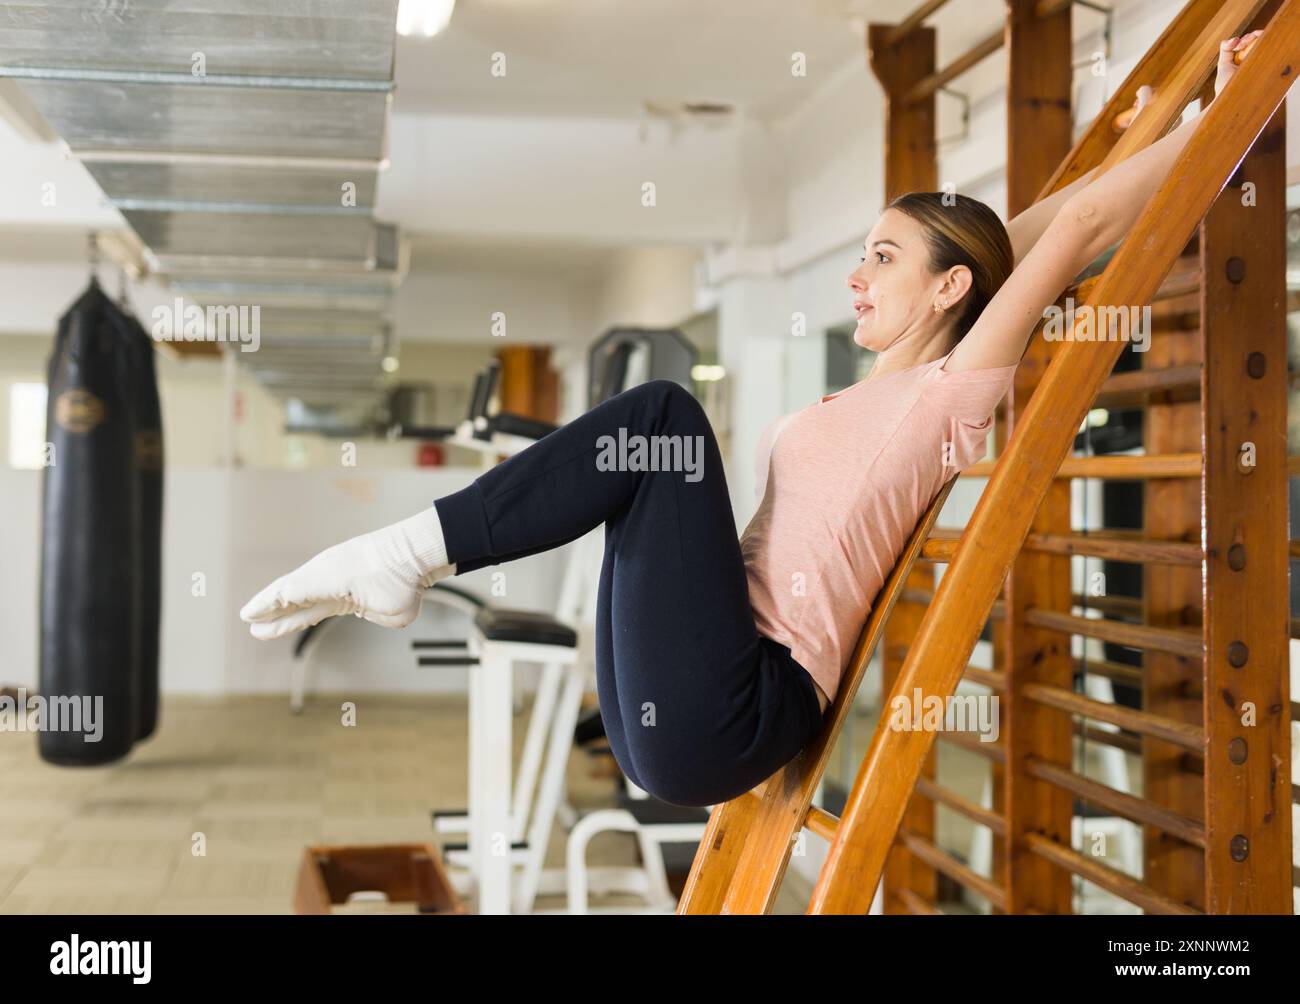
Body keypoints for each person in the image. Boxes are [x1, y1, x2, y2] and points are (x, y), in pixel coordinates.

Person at [241, 33, 1260, 808]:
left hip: (729, 710)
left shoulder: (951, 393)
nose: (857, 278)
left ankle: (406, 550)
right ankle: (408, 550)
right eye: (860, 254)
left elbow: (1075, 227)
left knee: (666, 420)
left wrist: (1221, 114)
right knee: (649, 445)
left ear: (949, 290)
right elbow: (1014, 238)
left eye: (882, 258)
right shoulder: (887, 380)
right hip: (671, 715)